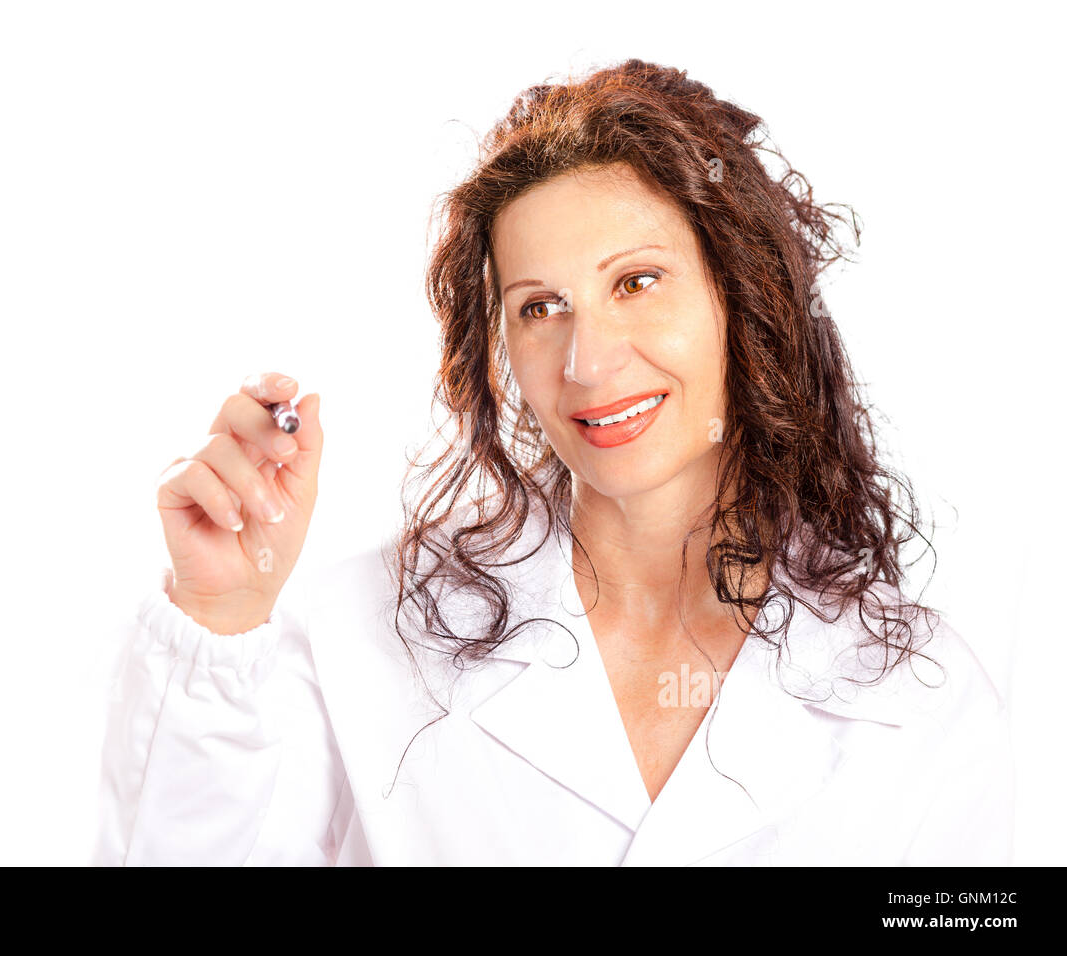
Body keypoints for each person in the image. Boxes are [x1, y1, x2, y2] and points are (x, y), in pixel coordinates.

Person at [91, 58, 1013, 866]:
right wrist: (220, 612)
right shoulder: (359, 634)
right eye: (540, 307)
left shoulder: (919, 702)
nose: (587, 361)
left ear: (744, 295)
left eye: (637, 283)